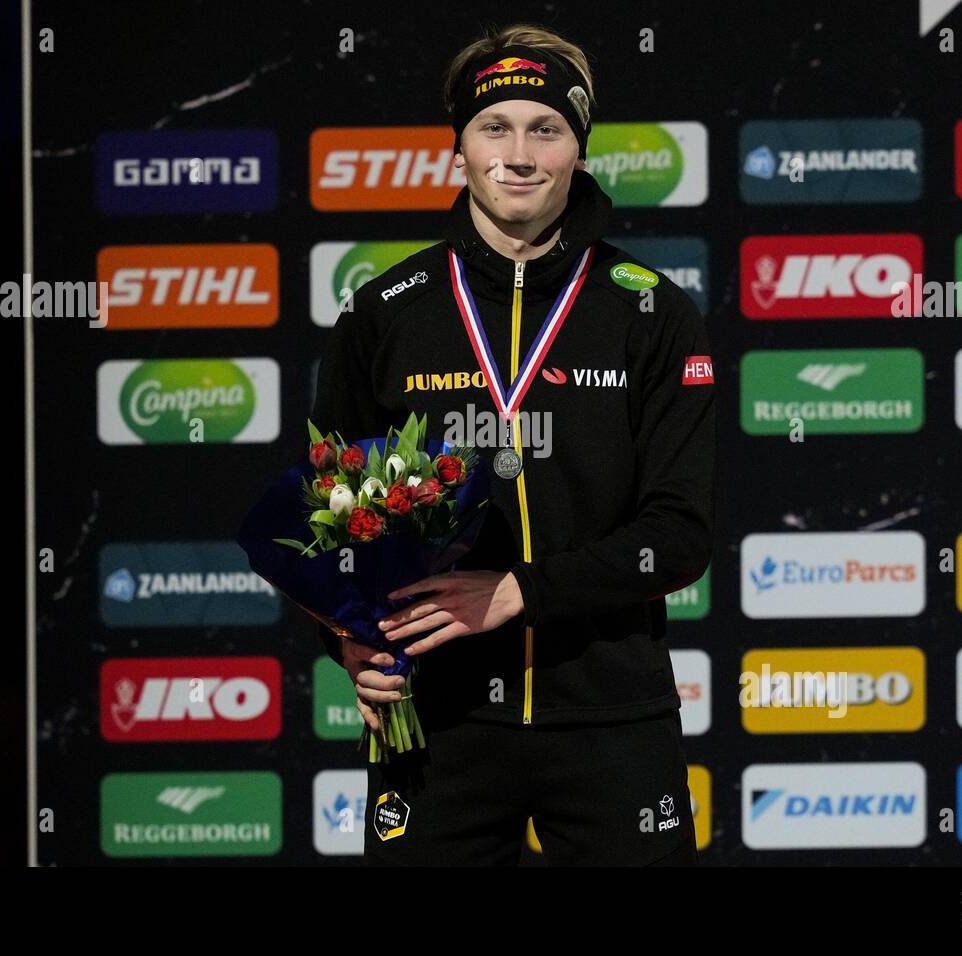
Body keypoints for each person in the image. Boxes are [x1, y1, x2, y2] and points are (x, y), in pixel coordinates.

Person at [306, 23, 716, 865]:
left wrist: (519, 591)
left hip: (611, 717)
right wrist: (347, 639)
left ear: (579, 148)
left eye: (546, 129)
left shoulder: (651, 311)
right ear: (458, 147)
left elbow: (679, 535)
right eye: (495, 127)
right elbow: (330, 523)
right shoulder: (385, 313)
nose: (519, 153)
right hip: (440, 723)